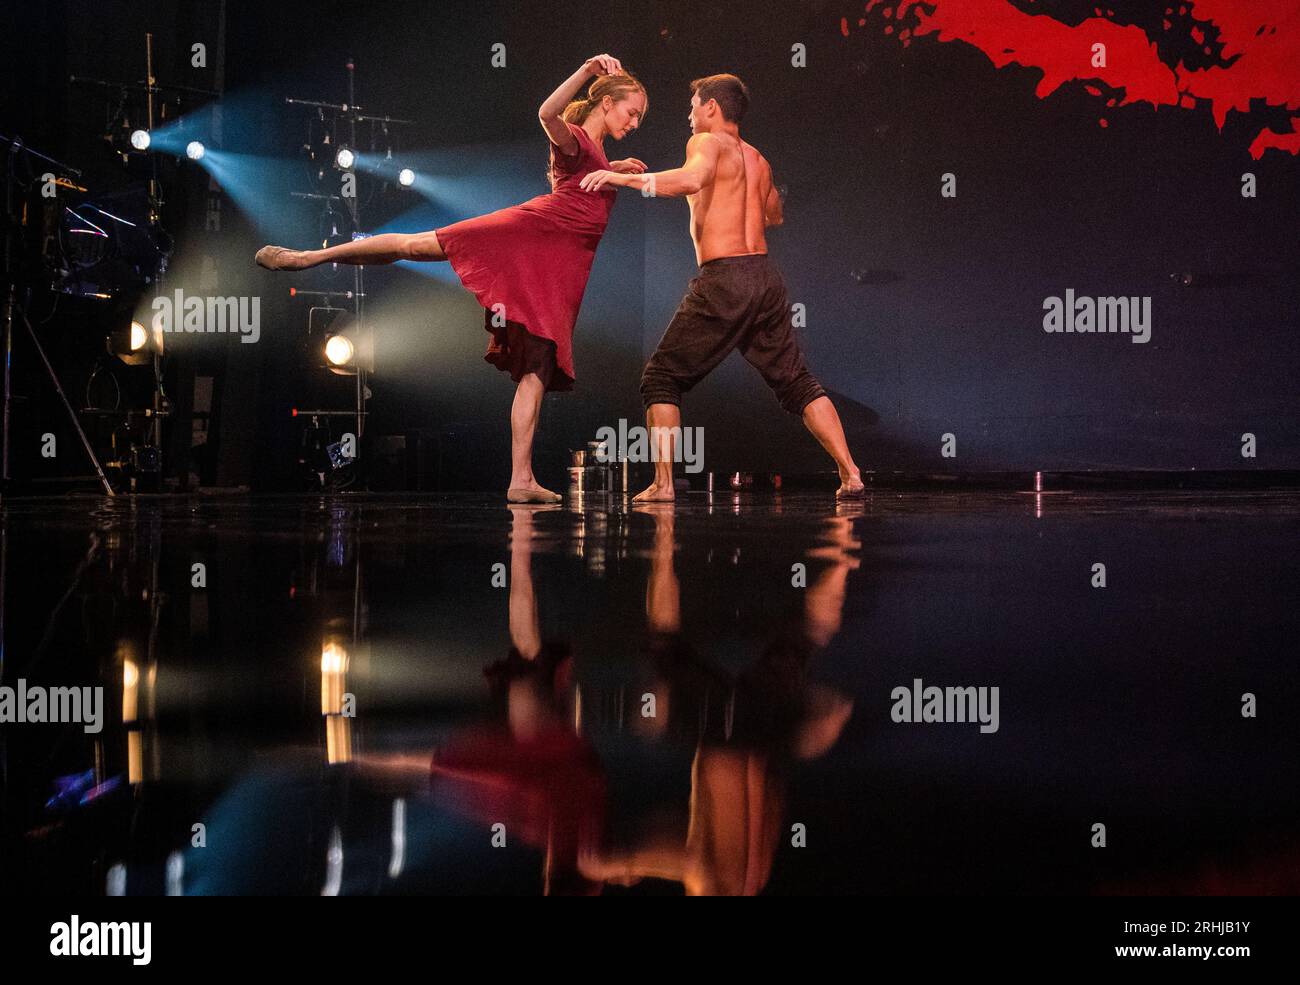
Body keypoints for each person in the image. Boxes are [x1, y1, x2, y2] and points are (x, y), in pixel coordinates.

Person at [256, 54, 648, 503]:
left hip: (558, 270)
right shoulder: (576, 139)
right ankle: (308, 257)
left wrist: (615, 171)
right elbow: (546, 114)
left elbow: (582, 185)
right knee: (416, 246)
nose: (634, 122)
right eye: (631, 111)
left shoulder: (596, 155)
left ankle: (521, 479)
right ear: (605, 102)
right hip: (529, 235)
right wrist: (584, 71)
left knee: (538, 367)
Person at [580, 73, 865, 501]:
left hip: (726, 277)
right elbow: (774, 215)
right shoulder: (759, 159)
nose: (689, 115)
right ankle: (851, 474)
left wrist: (621, 179)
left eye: (694, 105)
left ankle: (662, 485)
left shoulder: (706, 143)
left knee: (660, 378)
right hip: (765, 278)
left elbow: (691, 181)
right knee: (797, 383)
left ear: (712, 106)